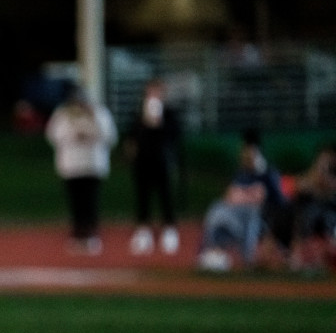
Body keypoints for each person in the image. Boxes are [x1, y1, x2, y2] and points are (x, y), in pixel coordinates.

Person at [196, 129, 286, 272]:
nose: (245, 154)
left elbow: (276, 201)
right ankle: (208, 252)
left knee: (251, 213)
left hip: (261, 218)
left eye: (249, 151)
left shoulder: (268, 173)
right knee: (216, 209)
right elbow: (229, 197)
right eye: (244, 150)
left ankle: (247, 260)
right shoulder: (240, 174)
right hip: (236, 217)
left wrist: (247, 193)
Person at [45, 85, 117, 254]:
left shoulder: (99, 113)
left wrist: (92, 120)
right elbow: (53, 135)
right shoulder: (62, 114)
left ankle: (92, 235)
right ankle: (77, 234)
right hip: (71, 165)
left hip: (92, 165)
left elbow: (110, 136)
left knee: (91, 201)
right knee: (76, 202)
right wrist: (74, 135)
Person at [124, 78, 182, 255]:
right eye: (150, 92)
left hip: (162, 161)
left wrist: (159, 124)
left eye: (157, 92)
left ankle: (169, 230)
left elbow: (174, 135)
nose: (153, 95)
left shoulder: (170, 113)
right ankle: (143, 231)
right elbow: (131, 135)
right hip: (143, 162)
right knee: (142, 196)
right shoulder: (138, 113)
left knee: (165, 195)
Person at [284, 143, 336, 272]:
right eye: (322, 159)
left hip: (330, 216)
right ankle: (297, 257)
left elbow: (329, 188)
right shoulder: (311, 175)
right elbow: (298, 186)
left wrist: (322, 184)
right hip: (309, 217)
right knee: (304, 213)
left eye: (327, 159)